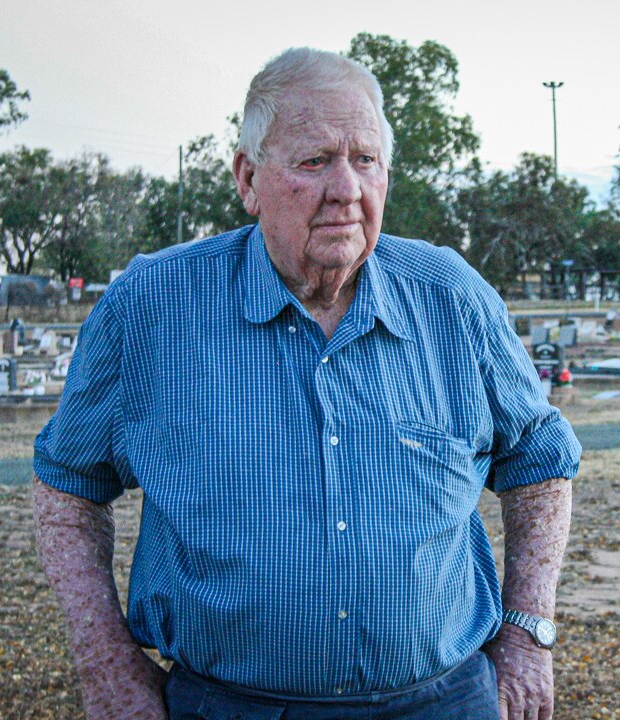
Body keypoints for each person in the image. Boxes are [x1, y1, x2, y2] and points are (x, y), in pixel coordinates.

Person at [32, 47, 580, 720]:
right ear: (248, 178)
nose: (346, 188)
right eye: (316, 161)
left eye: (366, 160)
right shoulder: (151, 309)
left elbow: (540, 464)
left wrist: (528, 635)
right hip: (228, 705)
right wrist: (104, 660)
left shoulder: (451, 299)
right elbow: (66, 485)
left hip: (443, 700)